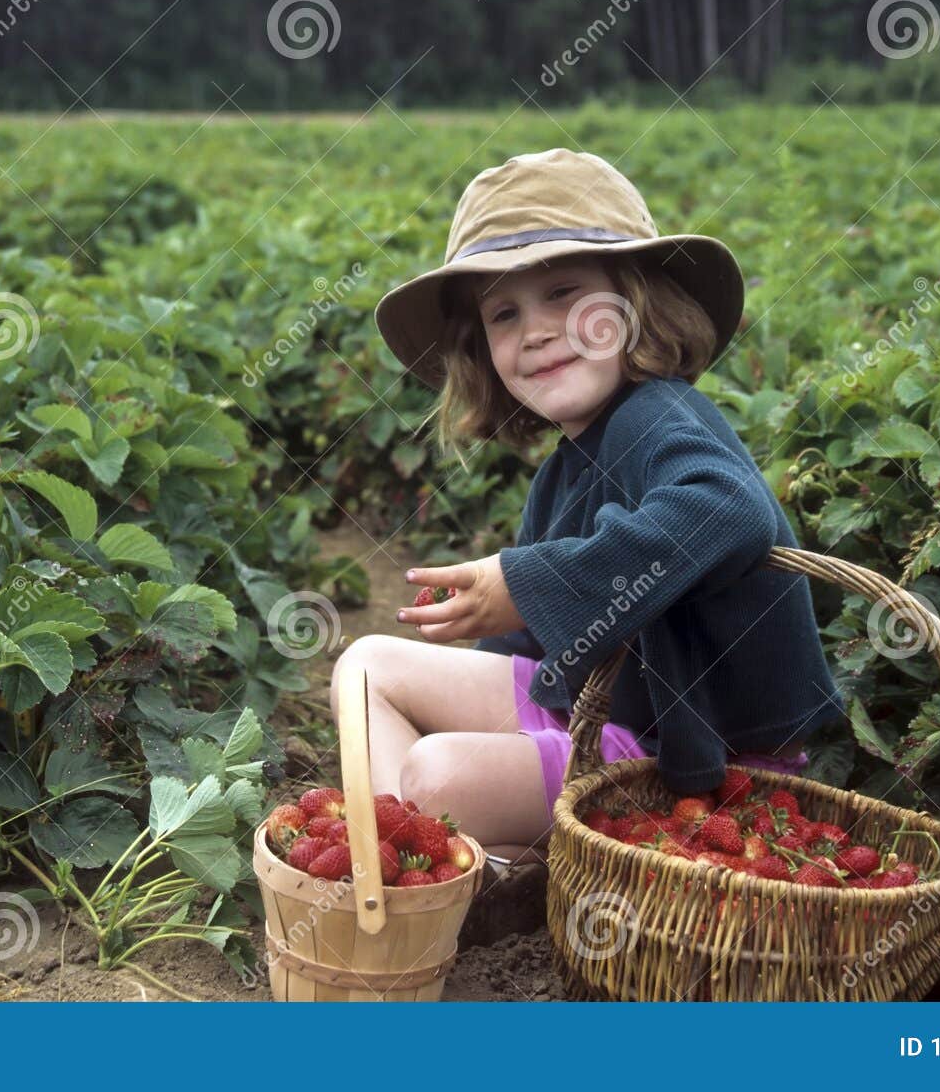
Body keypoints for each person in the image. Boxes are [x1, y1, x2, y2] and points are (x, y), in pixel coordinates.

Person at [330, 147, 845, 865]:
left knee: (435, 775)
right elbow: (526, 650)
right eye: (505, 313)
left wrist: (528, 584)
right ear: (482, 348)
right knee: (365, 665)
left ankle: (459, 857)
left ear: (634, 302)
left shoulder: (660, 415)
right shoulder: (561, 472)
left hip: (698, 762)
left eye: (565, 294)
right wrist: (517, 611)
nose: (537, 330)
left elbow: (731, 507)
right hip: (604, 712)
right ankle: (448, 869)